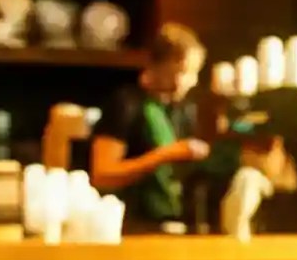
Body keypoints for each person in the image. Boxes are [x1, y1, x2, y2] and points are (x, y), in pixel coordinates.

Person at [90, 22, 211, 231]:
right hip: (131, 224)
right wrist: (164, 155)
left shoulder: (183, 109)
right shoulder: (126, 103)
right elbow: (103, 174)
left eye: (193, 73)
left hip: (176, 223)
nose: (188, 81)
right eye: (181, 72)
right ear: (155, 65)